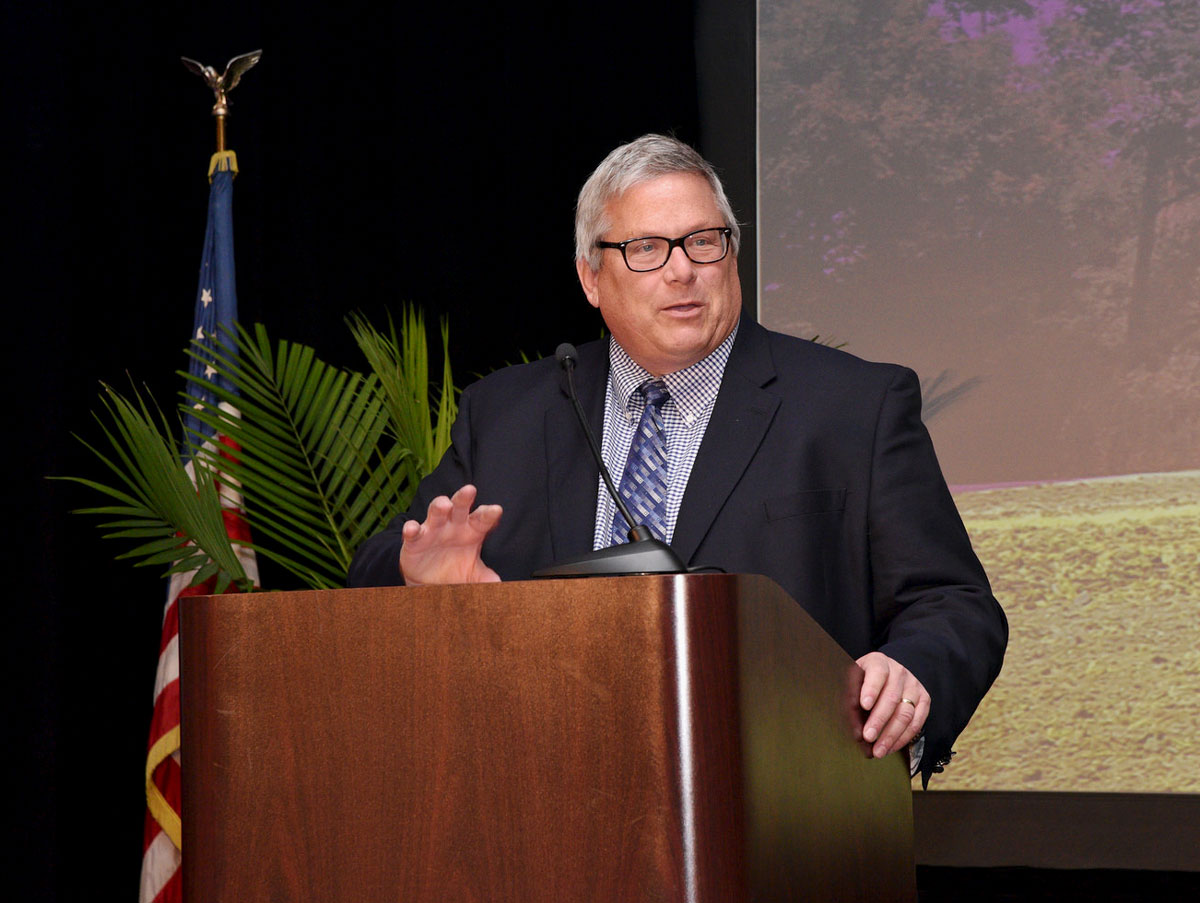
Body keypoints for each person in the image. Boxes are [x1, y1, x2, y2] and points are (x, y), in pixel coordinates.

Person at [348, 134, 1007, 784]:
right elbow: (378, 566)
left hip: (785, 804)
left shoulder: (852, 407)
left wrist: (913, 669)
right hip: (536, 798)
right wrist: (416, 576)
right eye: (645, 249)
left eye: (703, 241)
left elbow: (953, 601)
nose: (682, 269)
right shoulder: (509, 414)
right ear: (590, 278)